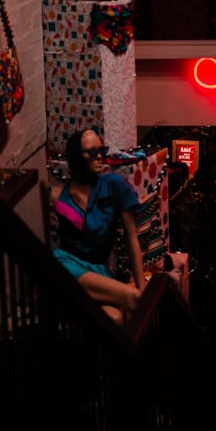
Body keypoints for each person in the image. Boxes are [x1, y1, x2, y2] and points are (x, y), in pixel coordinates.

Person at [51, 129, 145, 324]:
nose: (99, 156)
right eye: (92, 152)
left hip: (98, 270)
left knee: (115, 318)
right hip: (67, 266)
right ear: (77, 157)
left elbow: (131, 238)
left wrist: (141, 286)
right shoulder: (58, 195)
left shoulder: (114, 185)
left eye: (101, 150)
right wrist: (137, 294)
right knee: (132, 298)